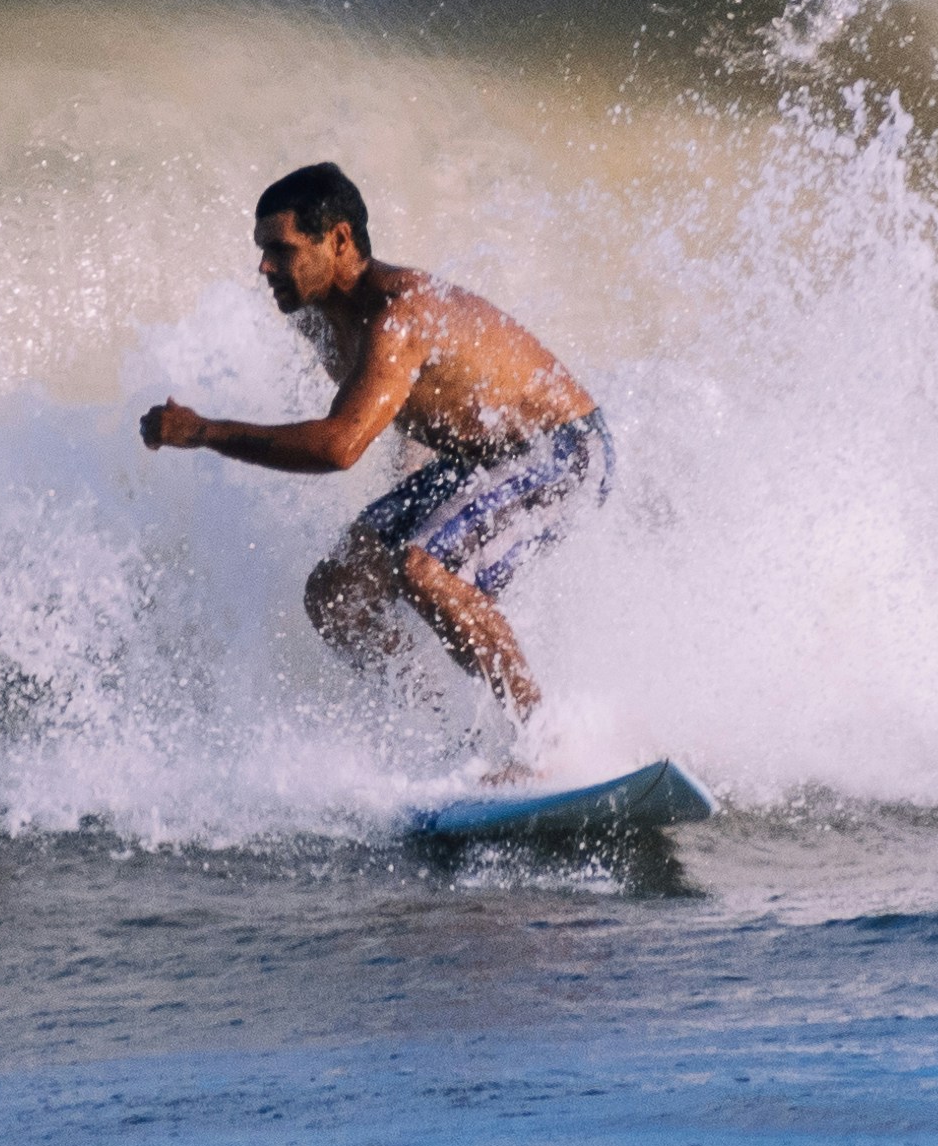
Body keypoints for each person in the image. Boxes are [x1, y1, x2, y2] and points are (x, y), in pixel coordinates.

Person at [139, 161, 609, 735]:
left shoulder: (398, 314)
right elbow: (400, 410)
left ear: (338, 240)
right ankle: (441, 733)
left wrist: (203, 432)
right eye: (262, 251)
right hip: (476, 460)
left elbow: (338, 446)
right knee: (336, 595)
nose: (263, 267)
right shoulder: (318, 320)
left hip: (561, 450)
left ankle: (546, 743)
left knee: (424, 569)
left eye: (280, 250)